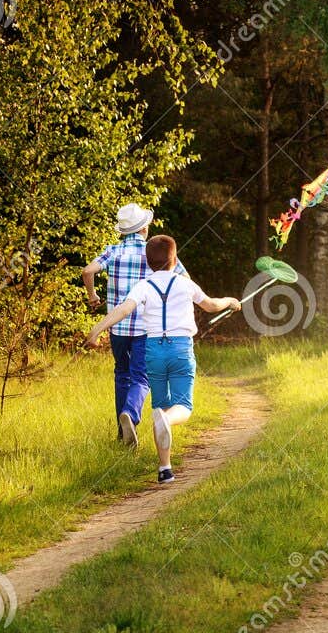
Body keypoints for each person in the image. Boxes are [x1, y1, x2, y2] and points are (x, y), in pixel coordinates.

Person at [87, 235, 240, 482]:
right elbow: (211, 305)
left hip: (153, 351)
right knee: (182, 407)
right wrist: (230, 301)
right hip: (180, 349)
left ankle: (165, 468)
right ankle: (167, 420)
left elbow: (123, 309)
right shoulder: (185, 283)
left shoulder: (144, 285)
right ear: (174, 259)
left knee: (160, 405)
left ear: (148, 262)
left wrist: (98, 329)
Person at [82, 203, 157, 447]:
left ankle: (121, 432)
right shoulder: (152, 253)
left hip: (117, 329)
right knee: (141, 378)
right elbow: (181, 278)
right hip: (145, 329)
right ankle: (131, 415)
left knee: (122, 374)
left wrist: (92, 295)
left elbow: (87, 270)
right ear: (144, 228)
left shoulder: (113, 251)